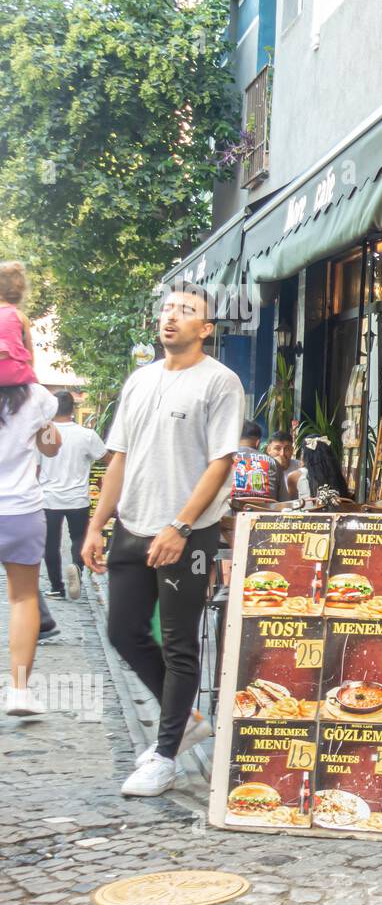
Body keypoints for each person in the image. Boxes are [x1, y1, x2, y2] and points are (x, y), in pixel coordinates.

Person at [82, 282, 243, 796]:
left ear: (206, 328)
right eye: (167, 309)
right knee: (124, 631)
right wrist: (96, 524)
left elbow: (222, 463)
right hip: (131, 527)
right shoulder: (140, 380)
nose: (171, 317)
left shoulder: (220, 382)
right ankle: (187, 717)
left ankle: (166, 753)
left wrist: (181, 526)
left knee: (179, 645)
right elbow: (119, 459)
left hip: (186, 536)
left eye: (186, 311)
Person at [0, 261, 62, 716]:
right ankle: (19, 691)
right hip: (20, 506)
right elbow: (51, 447)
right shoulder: (41, 398)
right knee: (23, 597)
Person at [40, 390, 107, 600]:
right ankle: (76, 569)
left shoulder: (43, 434)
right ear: (73, 409)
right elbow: (110, 460)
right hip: (78, 498)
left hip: (48, 497)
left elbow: (32, 466)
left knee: (50, 542)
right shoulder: (86, 435)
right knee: (79, 537)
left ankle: (56, 587)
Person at [231, 419, 282, 502]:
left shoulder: (225, 459)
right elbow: (282, 500)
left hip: (230, 512)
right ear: (258, 443)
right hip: (265, 512)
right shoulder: (273, 462)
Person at [265, 429, 303, 500]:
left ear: (292, 450)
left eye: (287, 449)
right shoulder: (261, 467)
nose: (282, 453)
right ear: (268, 450)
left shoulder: (299, 467)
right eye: (277, 448)